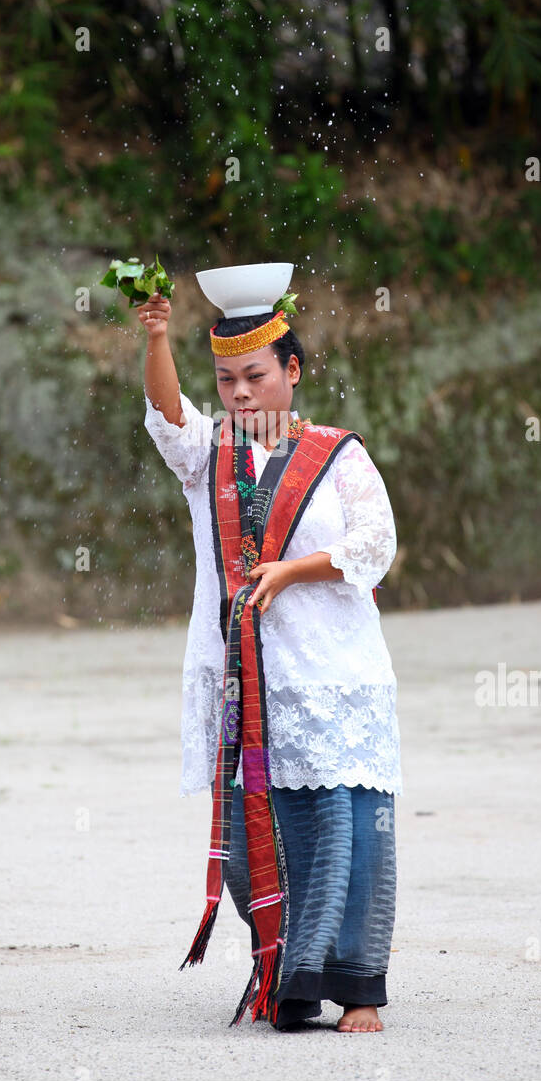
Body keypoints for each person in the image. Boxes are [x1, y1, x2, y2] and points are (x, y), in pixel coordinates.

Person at [137, 279, 402, 1033]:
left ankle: (358, 989)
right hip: (250, 681)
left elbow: (375, 545)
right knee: (269, 822)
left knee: (349, 823)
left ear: (293, 371)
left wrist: (292, 571)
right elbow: (167, 411)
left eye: (256, 375)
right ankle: (287, 979)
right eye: (226, 380)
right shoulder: (207, 457)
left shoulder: (339, 456)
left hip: (335, 673)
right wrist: (158, 338)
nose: (241, 392)